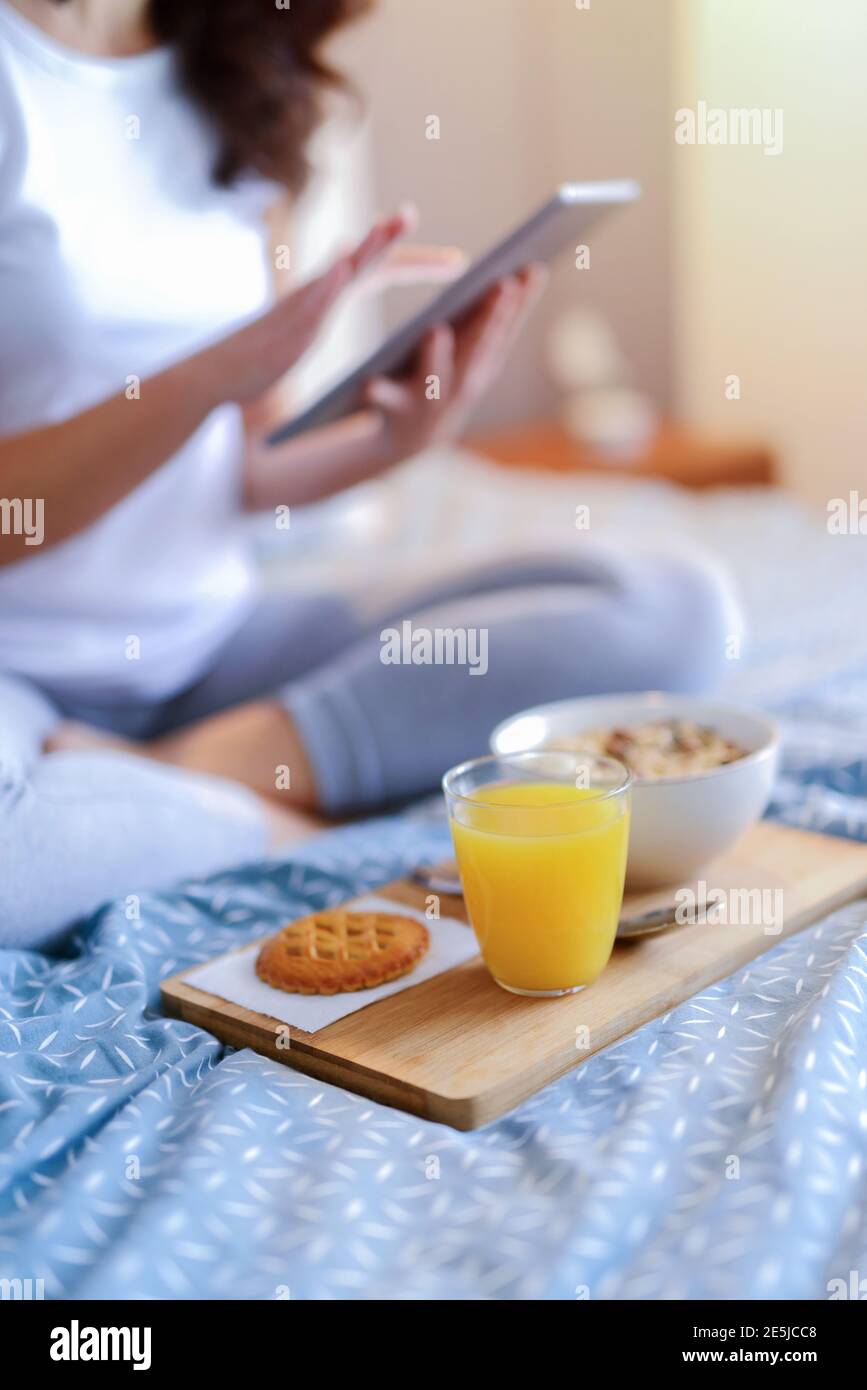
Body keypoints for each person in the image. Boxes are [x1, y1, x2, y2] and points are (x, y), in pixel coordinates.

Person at [0, 0, 740, 946]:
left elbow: (239, 469)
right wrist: (212, 375)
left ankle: (191, 775)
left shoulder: (232, 68)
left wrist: (396, 443)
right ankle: (265, 814)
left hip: (211, 648)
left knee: (675, 609)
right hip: (20, 672)